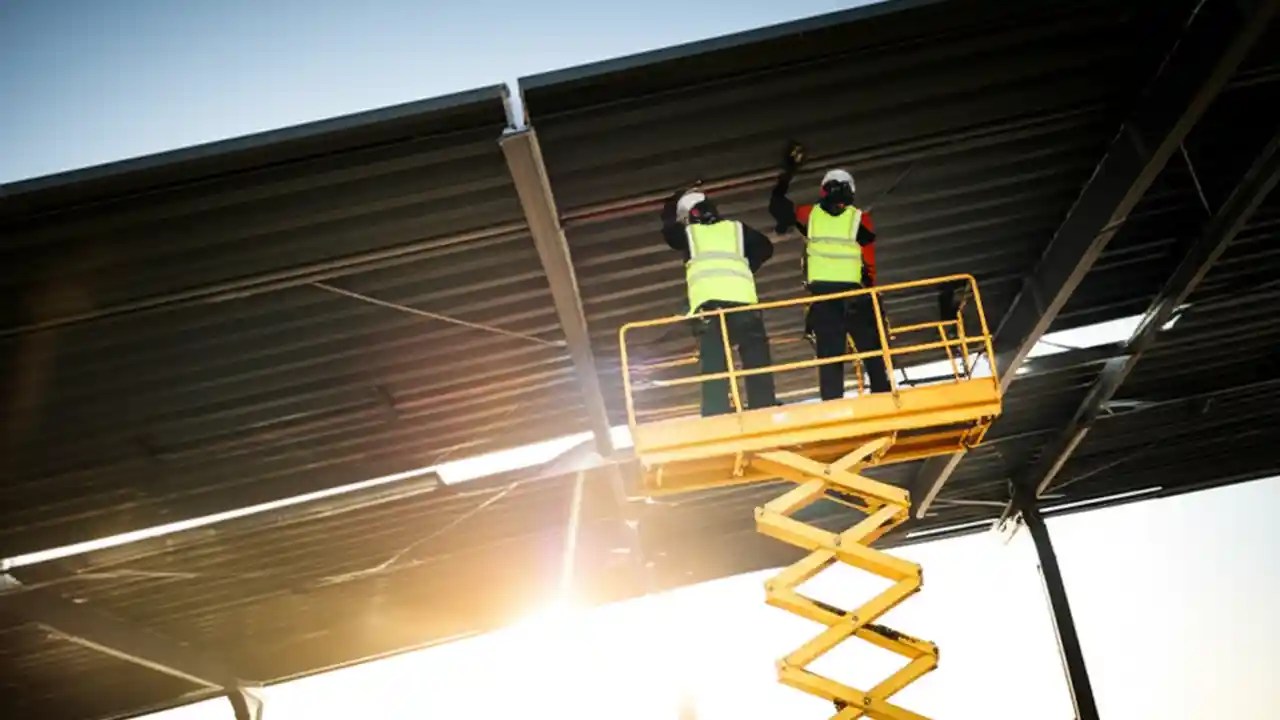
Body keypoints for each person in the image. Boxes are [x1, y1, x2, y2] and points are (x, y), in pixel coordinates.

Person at [769, 143, 891, 399]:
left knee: (830, 358)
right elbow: (868, 259)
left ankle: (833, 403)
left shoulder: (809, 215)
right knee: (872, 352)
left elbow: (777, 206)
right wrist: (873, 294)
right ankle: (882, 396)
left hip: (825, 300)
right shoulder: (858, 219)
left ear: (824, 190)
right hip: (856, 297)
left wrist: (788, 173)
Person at [661, 187, 779, 416]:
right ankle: (763, 407)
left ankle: (716, 413)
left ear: (688, 216)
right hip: (744, 304)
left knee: (715, 363)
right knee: (756, 357)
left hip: (711, 309)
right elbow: (765, 248)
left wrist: (671, 203)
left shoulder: (690, 235)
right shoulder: (736, 229)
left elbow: (669, 234)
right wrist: (745, 267)